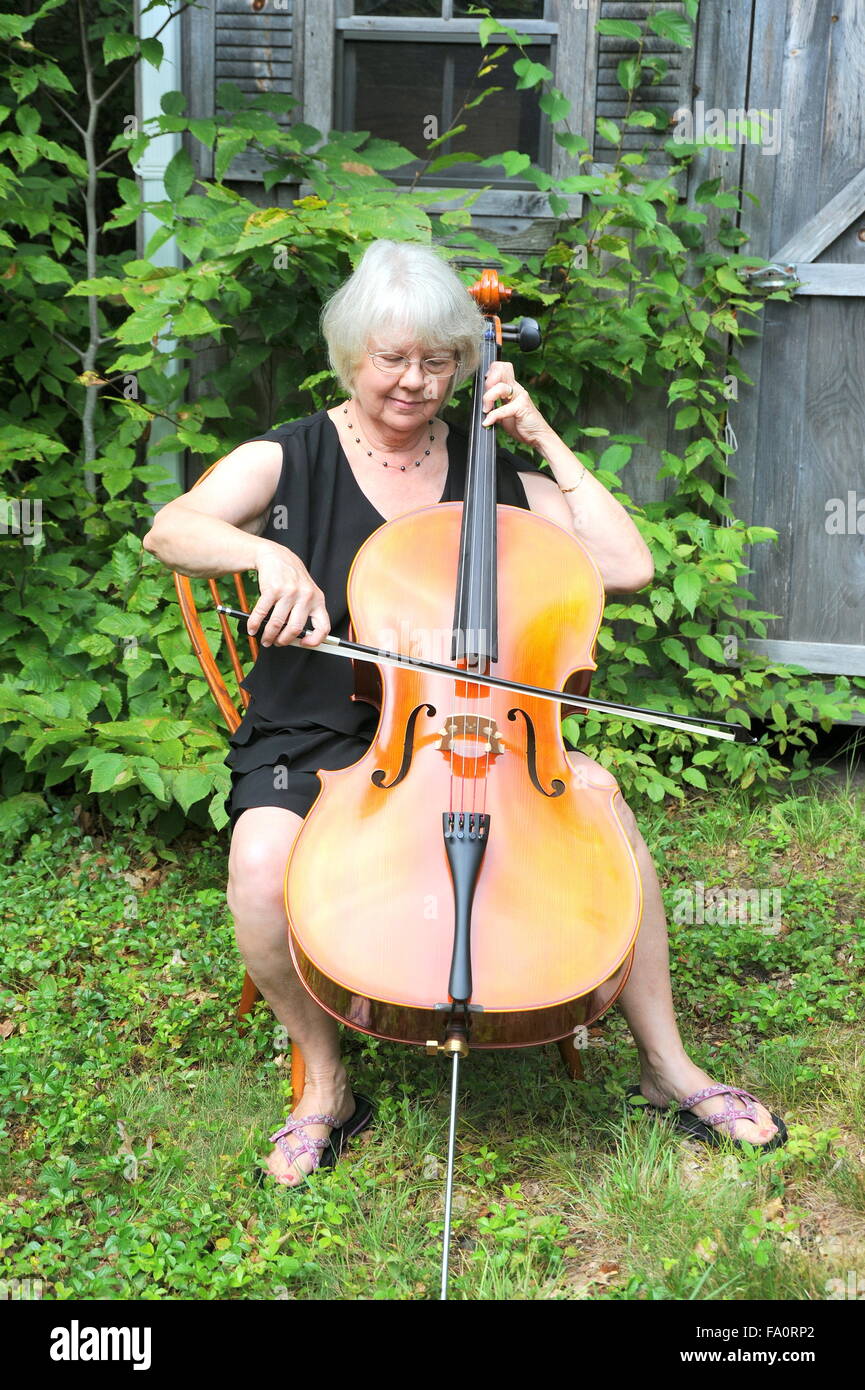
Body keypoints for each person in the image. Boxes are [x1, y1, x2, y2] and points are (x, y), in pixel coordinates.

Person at [143, 239, 787, 1187]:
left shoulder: (489, 473)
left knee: (600, 801)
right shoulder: (288, 455)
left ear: (464, 362)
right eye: (392, 359)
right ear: (350, 354)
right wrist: (265, 557)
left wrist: (545, 442)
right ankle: (325, 1084)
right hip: (312, 732)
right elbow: (171, 527)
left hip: (471, 729)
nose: (414, 381)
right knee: (257, 865)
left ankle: (666, 1067)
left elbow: (627, 566)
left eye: (438, 361)